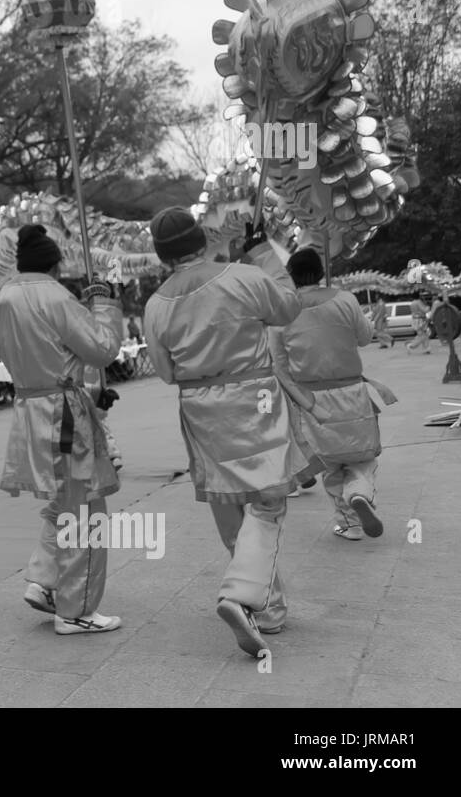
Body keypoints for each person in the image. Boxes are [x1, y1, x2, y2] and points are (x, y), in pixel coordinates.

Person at [144, 212, 313, 658]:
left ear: (163, 255)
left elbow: (164, 372)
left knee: (229, 506)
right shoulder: (244, 276)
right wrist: (263, 254)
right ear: (202, 240)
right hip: (254, 400)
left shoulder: (156, 304)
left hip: (199, 410)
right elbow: (289, 307)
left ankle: (269, 609)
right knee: (267, 501)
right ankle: (240, 594)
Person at [0, 225, 124, 635]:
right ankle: (77, 608)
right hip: (64, 416)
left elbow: (46, 359)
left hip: (31, 409)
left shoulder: (5, 297)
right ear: (54, 263)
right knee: (85, 510)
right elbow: (102, 348)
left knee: (63, 505)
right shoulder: (56, 296)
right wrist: (103, 307)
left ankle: (45, 579)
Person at [270, 249, 393, 542]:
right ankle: (360, 492)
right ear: (321, 271)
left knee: (331, 464)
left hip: (313, 401)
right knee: (361, 457)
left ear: (292, 276)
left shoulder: (281, 314)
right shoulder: (345, 299)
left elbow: (279, 364)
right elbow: (364, 337)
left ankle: (349, 524)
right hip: (352, 393)